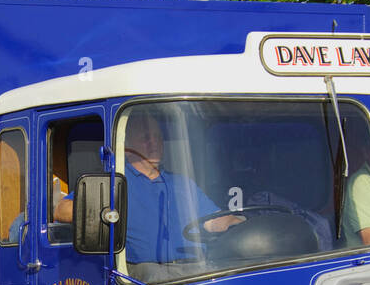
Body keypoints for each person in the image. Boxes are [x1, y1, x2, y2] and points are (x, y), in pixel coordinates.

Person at [54, 109, 241, 264]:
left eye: (158, 137)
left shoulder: (182, 184)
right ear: (127, 145)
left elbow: (213, 222)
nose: (154, 142)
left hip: (195, 271)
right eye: (146, 138)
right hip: (142, 279)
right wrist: (101, 212)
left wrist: (242, 224)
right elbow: (62, 210)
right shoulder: (114, 182)